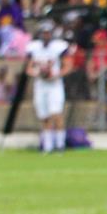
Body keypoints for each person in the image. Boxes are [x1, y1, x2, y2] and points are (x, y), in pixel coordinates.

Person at [26, 22, 70, 154]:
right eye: (44, 33)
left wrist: (56, 74)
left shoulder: (58, 47)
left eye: (48, 33)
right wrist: (37, 73)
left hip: (54, 85)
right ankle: (47, 146)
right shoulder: (35, 48)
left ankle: (60, 144)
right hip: (41, 84)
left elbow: (68, 65)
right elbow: (29, 68)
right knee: (44, 116)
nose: (46, 35)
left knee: (56, 114)